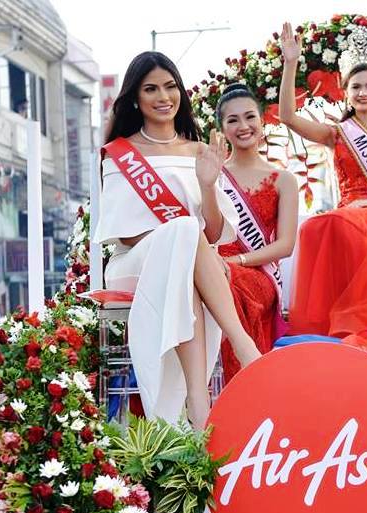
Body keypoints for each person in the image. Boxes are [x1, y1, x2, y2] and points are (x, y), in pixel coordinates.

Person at [94, 51, 261, 428]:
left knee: (186, 244)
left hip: (188, 262)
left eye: (170, 87)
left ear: (181, 93)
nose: (163, 96)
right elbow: (126, 232)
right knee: (185, 234)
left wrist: (206, 185)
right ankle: (241, 342)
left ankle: (197, 403)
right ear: (136, 98)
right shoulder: (121, 153)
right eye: (151, 89)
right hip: (133, 261)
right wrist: (183, 239)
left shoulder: (200, 151)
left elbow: (215, 234)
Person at [278, 23, 367, 353]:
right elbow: (287, 116)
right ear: (345, 90)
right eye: (356, 87)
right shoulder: (337, 133)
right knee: (314, 228)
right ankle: (329, 336)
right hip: (347, 216)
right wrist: (291, 63)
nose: (363, 92)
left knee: (348, 226)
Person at [214, 83, 299, 382]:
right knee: (211, 283)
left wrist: (236, 262)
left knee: (228, 284)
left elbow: (285, 245)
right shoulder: (212, 175)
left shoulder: (284, 180)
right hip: (213, 267)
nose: (243, 126)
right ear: (222, 128)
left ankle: (242, 384)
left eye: (250, 117)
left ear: (263, 122)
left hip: (255, 273)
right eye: (232, 120)